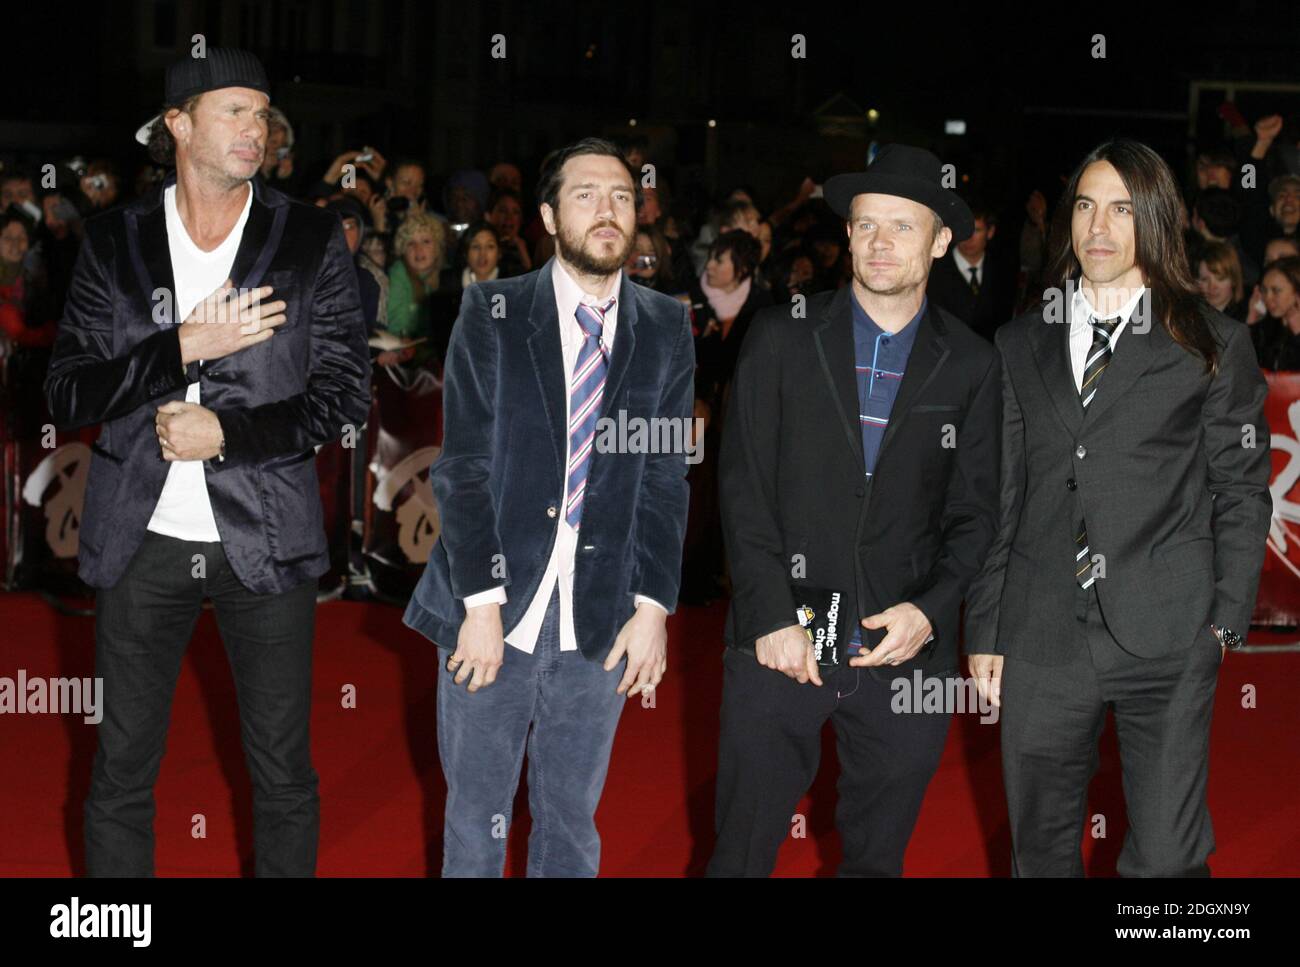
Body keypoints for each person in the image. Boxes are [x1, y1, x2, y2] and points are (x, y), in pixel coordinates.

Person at [44, 48, 371, 876]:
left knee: (283, 773)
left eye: (263, 114)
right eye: (234, 111)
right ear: (178, 126)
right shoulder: (113, 241)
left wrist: (227, 435)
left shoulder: (306, 236)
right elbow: (70, 394)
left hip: (265, 541)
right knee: (121, 771)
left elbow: (342, 394)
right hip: (139, 538)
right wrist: (183, 344)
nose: (254, 129)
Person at [964, 139, 1272, 877]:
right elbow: (1001, 494)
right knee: (1039, 850)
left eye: (1122, 209)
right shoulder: (1018, 343)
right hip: (1041, 632)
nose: (1098, 226)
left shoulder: (1211, 343)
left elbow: (1240, 488)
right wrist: (986, 624)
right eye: (1085, 206)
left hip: (1168, 631)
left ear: (1156, 221)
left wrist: (1224, 623)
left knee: (1167, 857)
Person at [402, 137, 695, 877]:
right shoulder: (492, 310)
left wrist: (655, 605)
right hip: (490, 604)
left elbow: (664, 476)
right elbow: (463, 469)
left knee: (571, 821)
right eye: (588, 194)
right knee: (476, 817)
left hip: (602, 616)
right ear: (548, 215)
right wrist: (481, 602)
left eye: (623, 196)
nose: (608, 210)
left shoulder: (664, 324)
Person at [709, 144, 1001, 876]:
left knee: (876, 861)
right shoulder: (779, 336)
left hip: (903, 651)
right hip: (779, 641)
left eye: (903, 227)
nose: (879, 242)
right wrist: (771, 613)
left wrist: (929, 610)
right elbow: (742, 485)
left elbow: (976, 513)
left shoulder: (972, 364)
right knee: (740, 853)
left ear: (940, 241)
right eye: (866, 224)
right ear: (846, 234)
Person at [926, 198, 1016, 341]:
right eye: (964, 230)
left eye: (977, 230)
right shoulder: (933, 270)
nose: (969, 238)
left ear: (990, 232)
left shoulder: (1003, 272)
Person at [1252, 256, 1300, 369]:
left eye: (1276, 290)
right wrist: (1252, 322)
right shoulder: (1268, 327)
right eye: (1264, 290)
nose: (1267, 298)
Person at [1195, 239, 1248, 322]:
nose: (1212, 287)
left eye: (1220, 278)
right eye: (1204, 279)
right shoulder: (1192, 315)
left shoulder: (1245, 320)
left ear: (1234, 279)